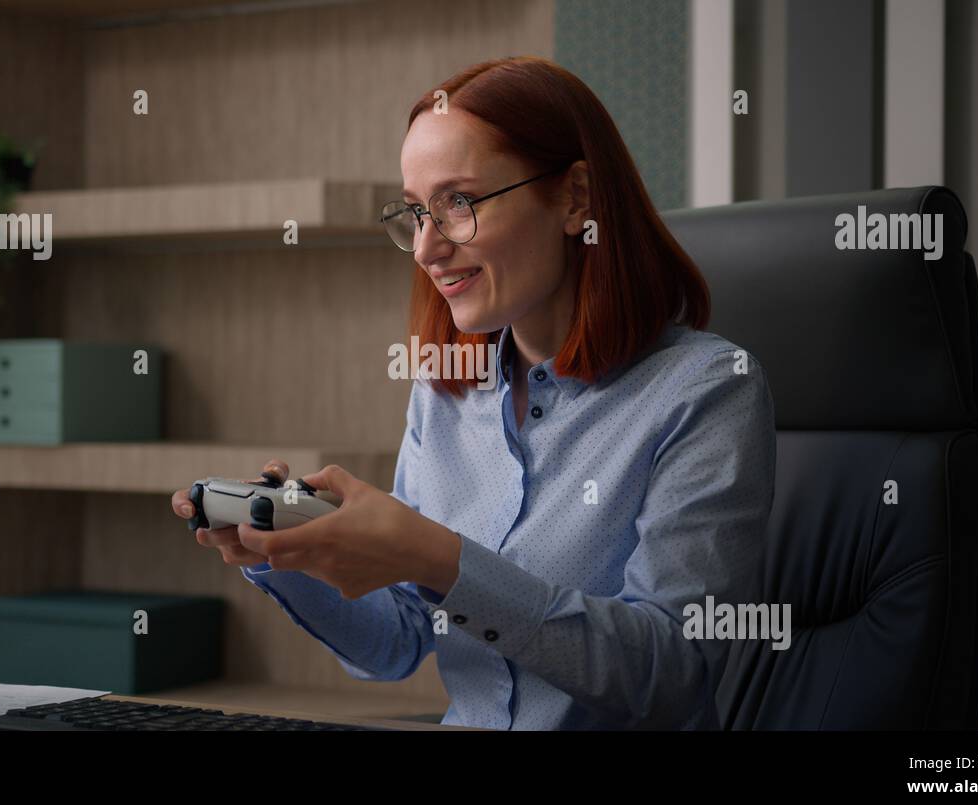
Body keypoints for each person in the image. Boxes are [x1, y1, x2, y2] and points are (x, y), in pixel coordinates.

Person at [171, 56, 776, 730]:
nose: (425, 249)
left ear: (575, 198)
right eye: (415, 213)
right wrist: (285, 556)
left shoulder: (706, 392)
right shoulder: (445, 390)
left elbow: (672, 672)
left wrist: (438, 558)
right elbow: (400, 639)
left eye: (458, 203)